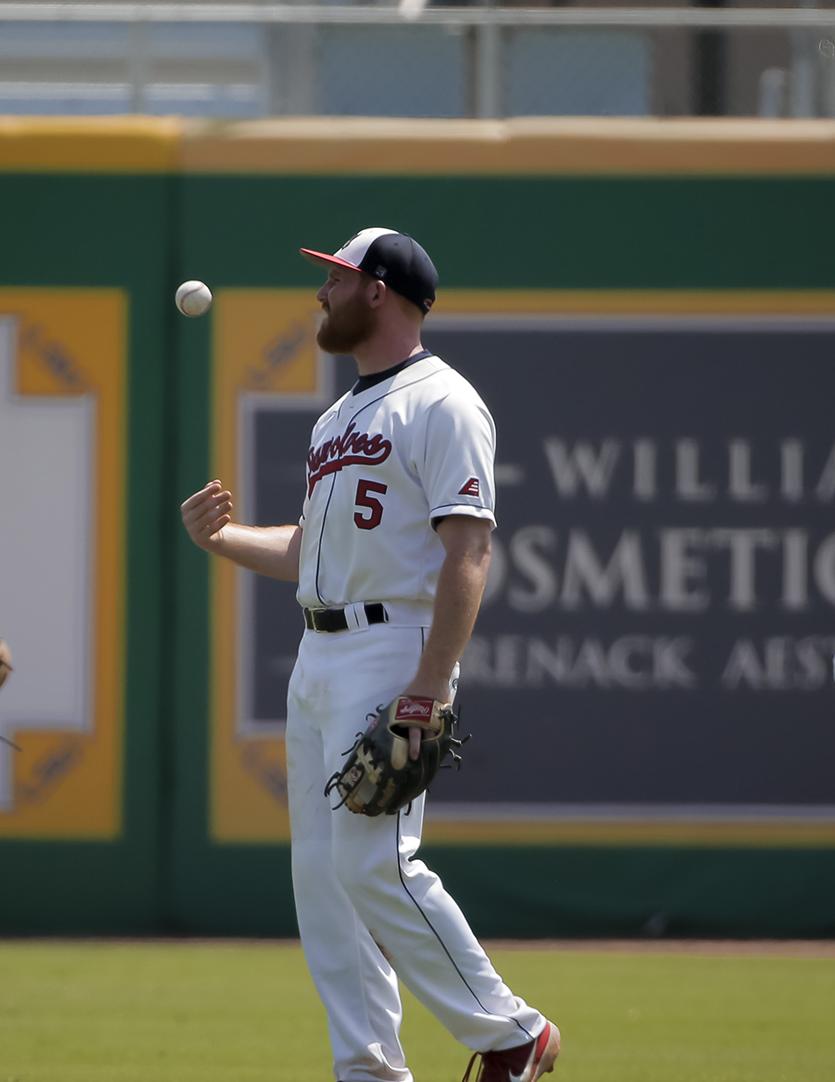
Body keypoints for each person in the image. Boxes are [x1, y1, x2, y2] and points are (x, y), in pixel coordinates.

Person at [180, 229, 560, 1082]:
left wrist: (430, 682)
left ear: (379, 290)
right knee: (322, 880)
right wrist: (225, 537)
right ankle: (368, 1070)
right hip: (319, 653)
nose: (322, 294)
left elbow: (468, 552)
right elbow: (310, 553)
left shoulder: (445, 402)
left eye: (335, 278)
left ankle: (511, 1031)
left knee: (372, 859)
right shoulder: (337, 416)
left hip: (394, 648)